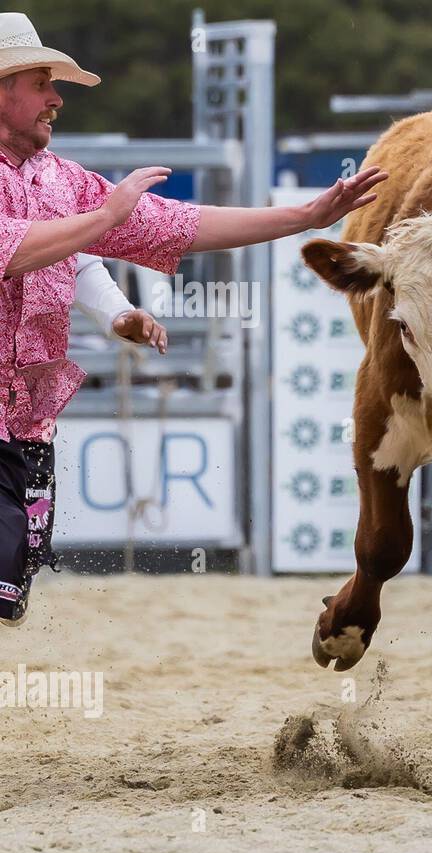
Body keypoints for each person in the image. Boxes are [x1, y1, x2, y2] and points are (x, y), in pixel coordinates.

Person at [0, 12, 386, 623]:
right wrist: (104, 222)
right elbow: (14, 250)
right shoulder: (69, 195)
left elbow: (177, 224)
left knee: (12, 581)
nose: (55, 99)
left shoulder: (58, 181)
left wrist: (303, 218)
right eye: (41, 83)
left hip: (24, 420)